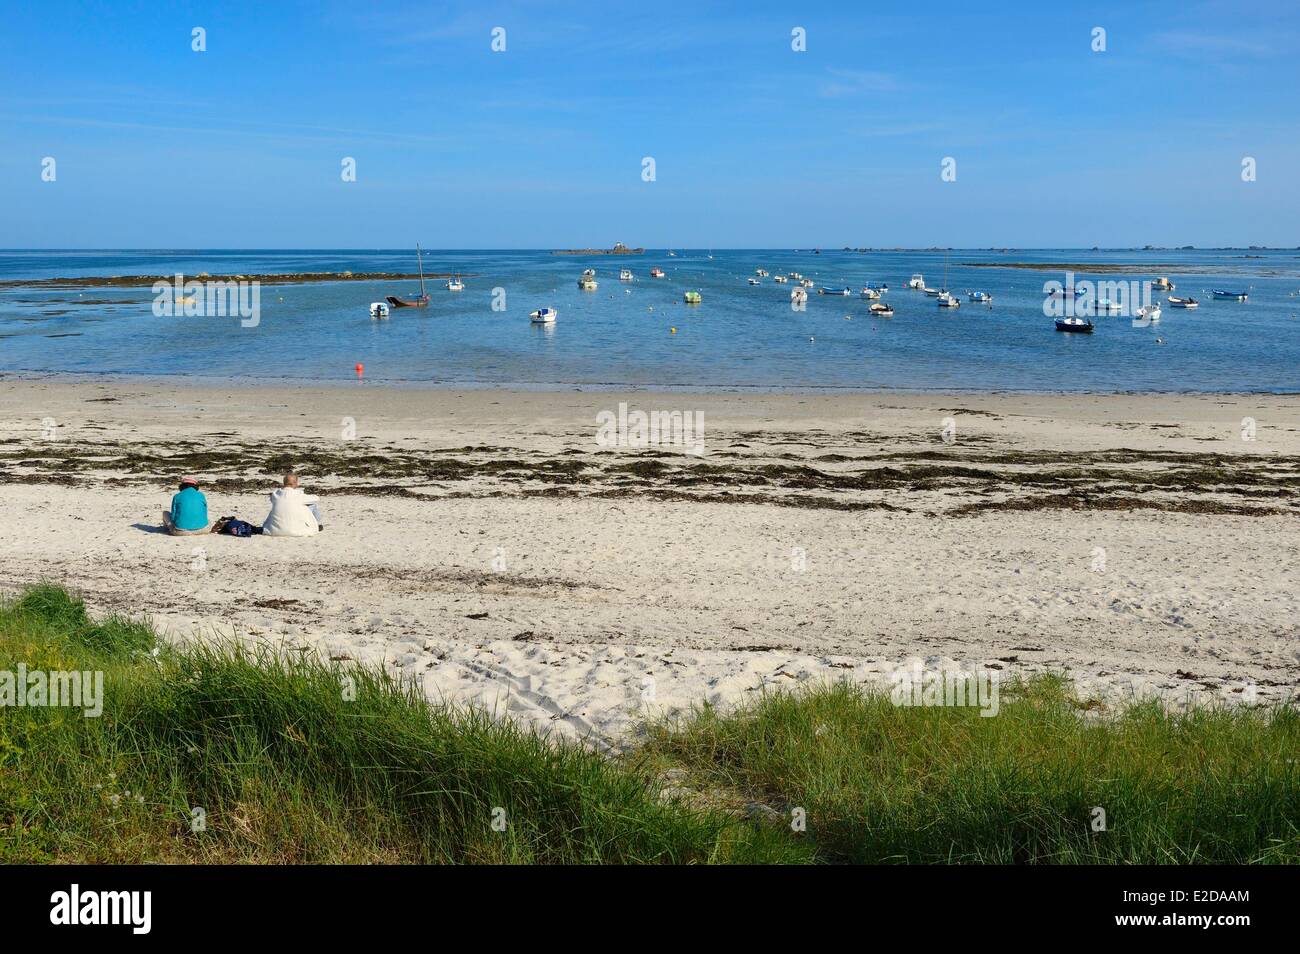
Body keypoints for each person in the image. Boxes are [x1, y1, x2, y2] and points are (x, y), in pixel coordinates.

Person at [262, 472, 323, 537]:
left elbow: (272, 499)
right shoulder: (298, 495)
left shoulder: (275, 494)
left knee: (278, 507)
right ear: (295, 483)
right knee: (312, 505)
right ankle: (317, 524)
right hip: (296, 531)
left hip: (273, 531)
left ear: (284, 483)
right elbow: (316, 498)